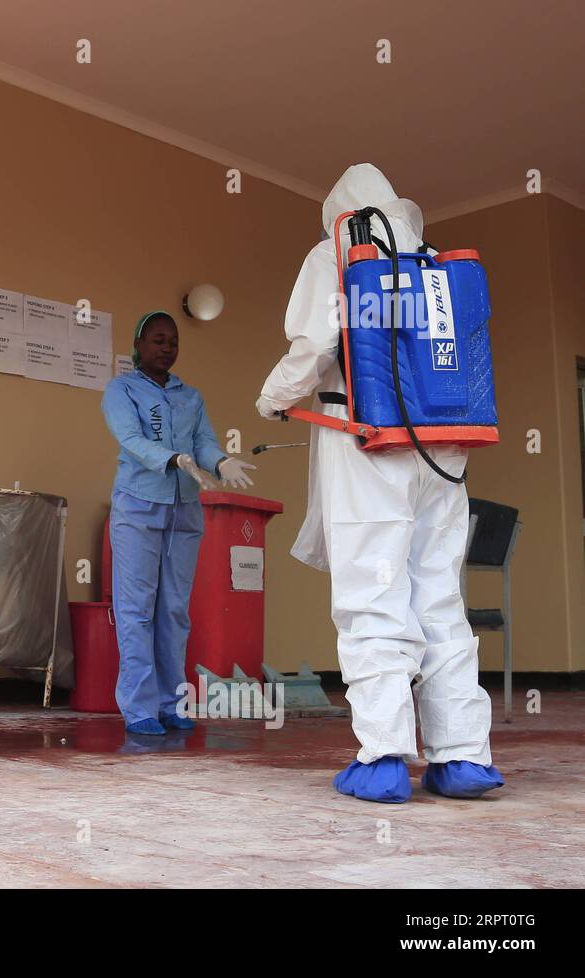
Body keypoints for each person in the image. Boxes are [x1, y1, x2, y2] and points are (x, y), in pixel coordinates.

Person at [256, 163, 504, 803]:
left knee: (372, 592)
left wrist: (274, 395)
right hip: (443, 446)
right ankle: (462, 757)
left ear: (338, 211)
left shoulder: (336, 252)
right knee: (439, 596)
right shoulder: (432, 269)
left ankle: (385, 758)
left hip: (366, 441)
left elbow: (314, 344)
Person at [101, 311, 256, 735]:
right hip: (138, 507)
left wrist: (221, 460)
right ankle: (139, 707)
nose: (166, 347)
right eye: (157, 340)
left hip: (184, 510)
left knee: (173, 610)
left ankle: (173, 702)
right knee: (136, 611)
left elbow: (202, 441)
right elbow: (131, 440)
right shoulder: (121, 389)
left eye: (172, 341)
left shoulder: (192, 396)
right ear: (139, 343)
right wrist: (171, 458)